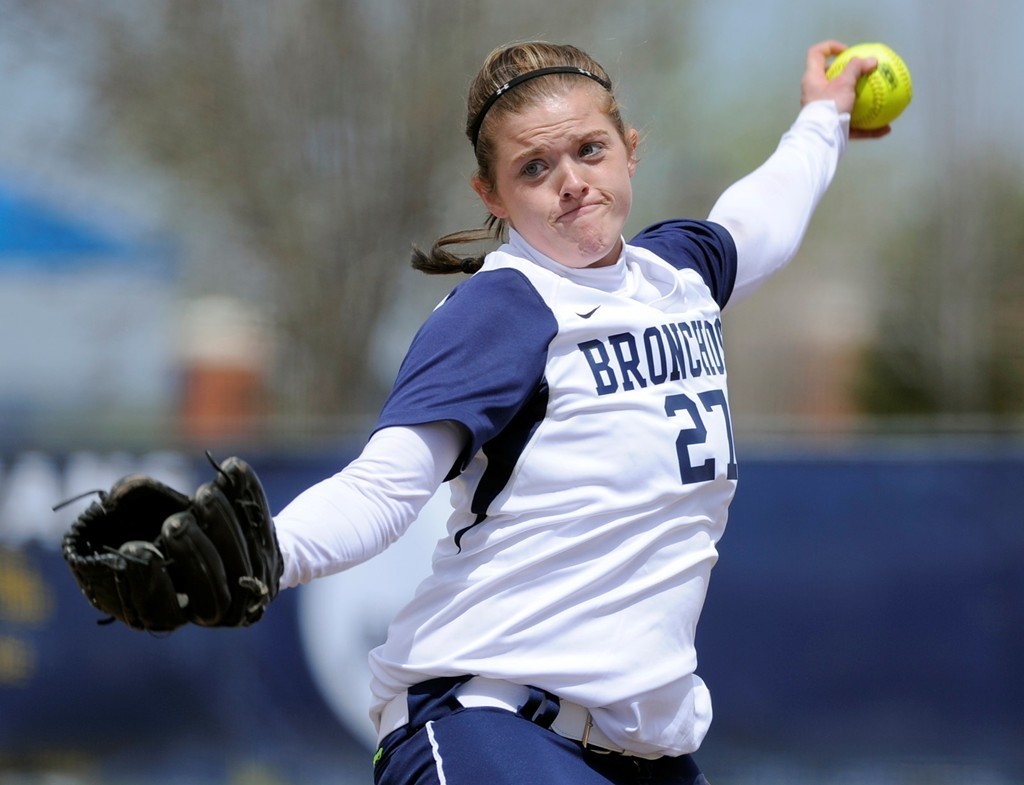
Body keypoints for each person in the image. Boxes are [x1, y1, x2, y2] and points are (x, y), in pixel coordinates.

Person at [273, 39, 887, 785]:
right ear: (492, 195)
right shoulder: (503, 309)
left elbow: (765, 215)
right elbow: (383, 486)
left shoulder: (678, 276)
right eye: (534, 168)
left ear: (630, 150)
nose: (570, 182)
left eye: (590, 150)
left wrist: (823, 117)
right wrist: (261, 554)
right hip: (493, 731)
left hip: (646, 756)